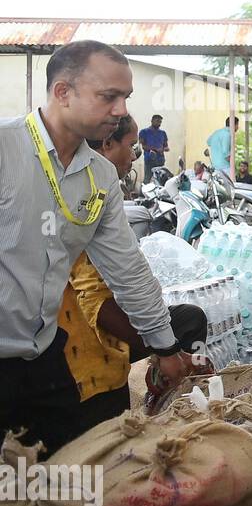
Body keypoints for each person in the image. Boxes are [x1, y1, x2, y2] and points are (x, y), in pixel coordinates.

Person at [0, 41, 197, 451]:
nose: (121, 110)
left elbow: (127, 269)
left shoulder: (100, 175)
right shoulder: (6, 149)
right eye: (109, 96)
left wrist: (165, 347)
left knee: (65, 484)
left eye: (125, 97)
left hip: (43, 354)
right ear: (62, 92)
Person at [59, 113, 209, 432]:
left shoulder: (100, 188)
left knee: (189, 318)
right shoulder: (87, 194)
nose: (133, 156)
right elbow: (97, 301)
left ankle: (164, 396)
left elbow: (129, 272)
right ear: (107, 145)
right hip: (85, 354)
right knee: (106, 450)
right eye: (132, 147)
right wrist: (164, 349)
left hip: (90, 344)